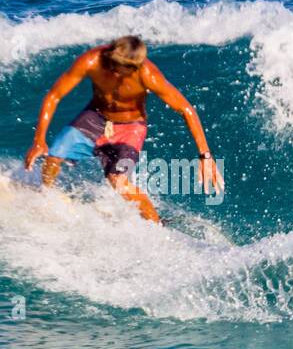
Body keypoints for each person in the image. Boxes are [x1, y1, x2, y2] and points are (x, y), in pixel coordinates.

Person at [23, 35, 224, 223]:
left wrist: (205, 155)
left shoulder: (147, 74)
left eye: (124, 70)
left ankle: (156, 224)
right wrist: (39, 139)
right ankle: (47, 195)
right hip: (95, 117)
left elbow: (186, 109)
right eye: (114, 66)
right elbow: (54, 95)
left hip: (131, 128)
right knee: (54, 156)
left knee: (118, 181)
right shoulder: (92, 61)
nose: (117, 73)